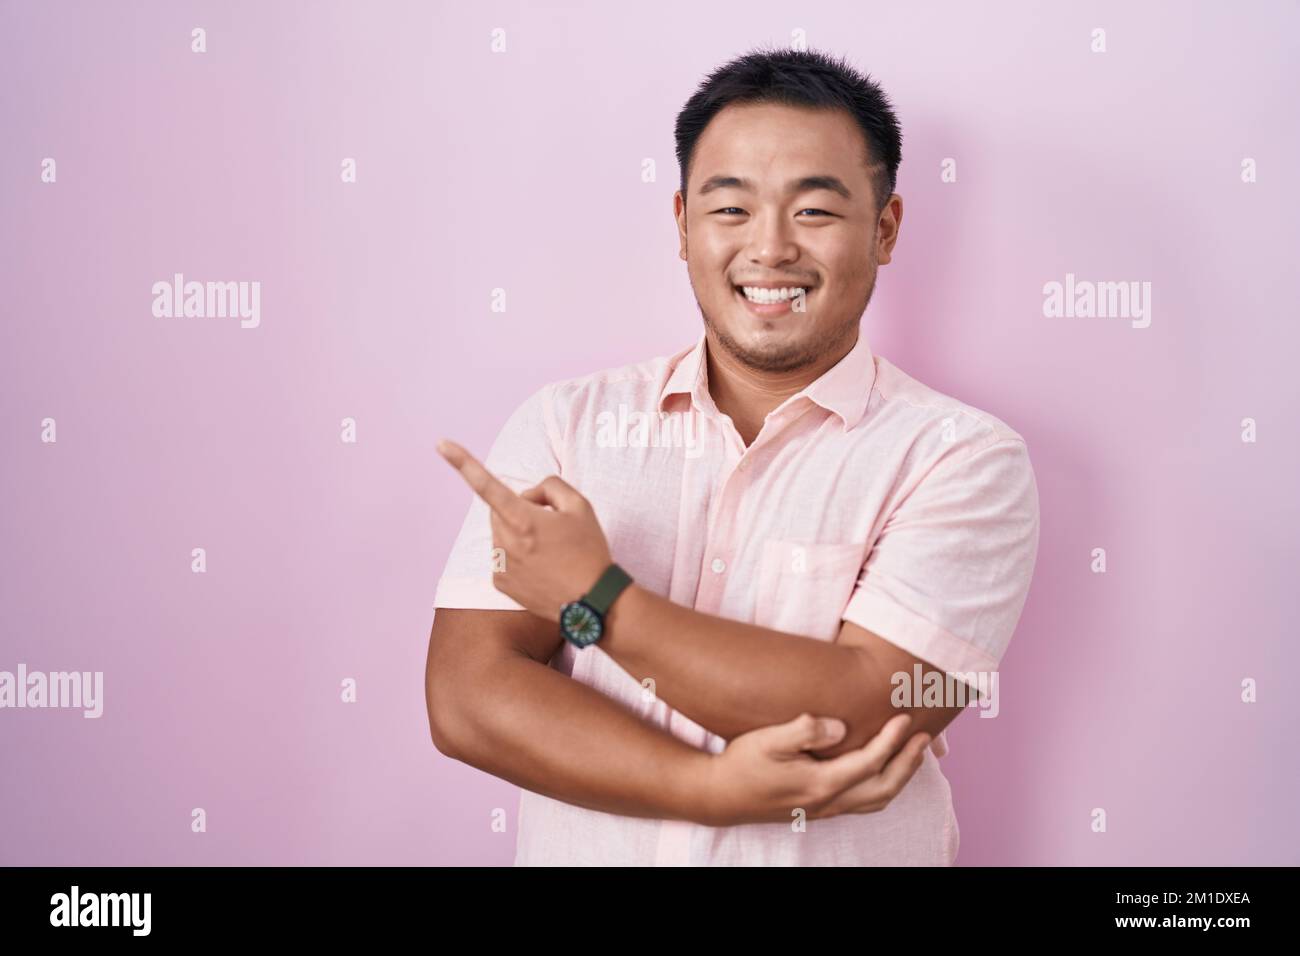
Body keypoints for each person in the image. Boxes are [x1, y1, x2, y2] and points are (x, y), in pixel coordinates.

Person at [426, 47, 1040, 866]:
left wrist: (591, 597)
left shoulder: (962, 459)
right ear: (682, 225)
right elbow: (469, 699)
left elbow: (868, 709)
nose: (772, 248)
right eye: (731, 210)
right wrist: (706, 789)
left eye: (815, 211)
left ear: (885, 230)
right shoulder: (568, 425)